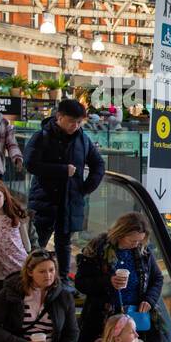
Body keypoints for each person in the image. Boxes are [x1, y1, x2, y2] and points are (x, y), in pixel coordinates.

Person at [24, 98, 106, 282]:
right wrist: (62, 170)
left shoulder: (83, 139)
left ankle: (62, 280)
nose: (75, 126)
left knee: (64, 243)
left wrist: (86, 188)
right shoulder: (41, 136)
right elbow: (30, 164)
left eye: (79, 122)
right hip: (44, 199)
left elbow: (98, 163)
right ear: (59, 117)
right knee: (37, 243)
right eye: (72, 122)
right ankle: (30, 280)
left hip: (70, 200)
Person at [73, 212, 163, 342]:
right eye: (132, 240)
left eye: (140, 241)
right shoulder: (98, 248)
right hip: (102, 321)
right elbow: (81, 282)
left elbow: (157, 278)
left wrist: (150, 299)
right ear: (120, 233)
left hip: (134, 322)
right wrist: (108, 282)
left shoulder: (144, 252)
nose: (136, 244)